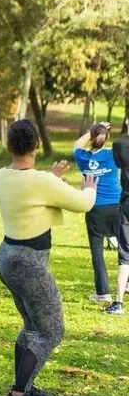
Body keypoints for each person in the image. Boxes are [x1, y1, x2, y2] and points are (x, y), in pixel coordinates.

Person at [0, 119, 96, 396]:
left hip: (8, 256)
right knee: (51, 330)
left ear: (9, 145)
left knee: (32, 327)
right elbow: (83, 204)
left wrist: (51, 178)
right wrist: (89, 187)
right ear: (37, 145)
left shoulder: (2, 175)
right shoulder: (40, 181)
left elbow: (29, 192)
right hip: (27, 262)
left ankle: (25, 385)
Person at [72, 123, 123, 304]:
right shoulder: (112, 155)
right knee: (125, 246)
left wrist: (91, 132)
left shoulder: (82, 157)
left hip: (94, 208)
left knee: (97, 252)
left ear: (92, 138)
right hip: (117, 206)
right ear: (106, 138)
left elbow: (76, 145)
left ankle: (103, 293)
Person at [107, 119, 129, 315]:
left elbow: (117, 163)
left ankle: (119, 303)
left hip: (127, 203)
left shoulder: (119, 144)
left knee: (125, 256)